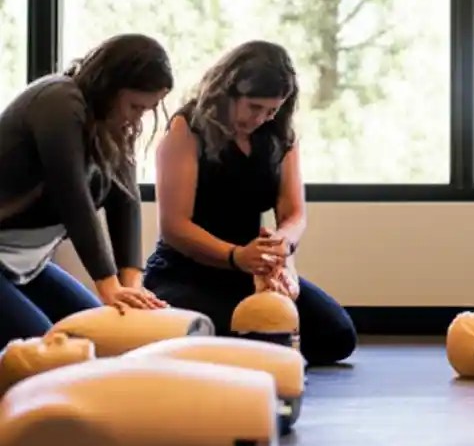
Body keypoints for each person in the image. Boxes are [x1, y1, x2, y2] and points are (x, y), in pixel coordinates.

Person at [143, 41, 357, 366]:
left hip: (250, 268)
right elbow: (175, 227)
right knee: (226, 333)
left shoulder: (278, 133)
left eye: (272, 110)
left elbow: (294, 213)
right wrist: (235, 256)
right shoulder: (186, 128)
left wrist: (282, 247)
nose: (261, 118)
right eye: (254, 107)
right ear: (228, 92)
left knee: (337, 335)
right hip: (186, 271)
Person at [0, 34, 172, 344]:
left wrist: (130, 282)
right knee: (51, 350)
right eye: (134, 106)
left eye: (147, 109)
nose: (137, 117)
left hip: (28, 265)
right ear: (110, 86)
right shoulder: (59, 101)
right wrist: (108, 286)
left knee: (100, 340)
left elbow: (127, 199)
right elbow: (73, 196)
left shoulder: (113, 124)